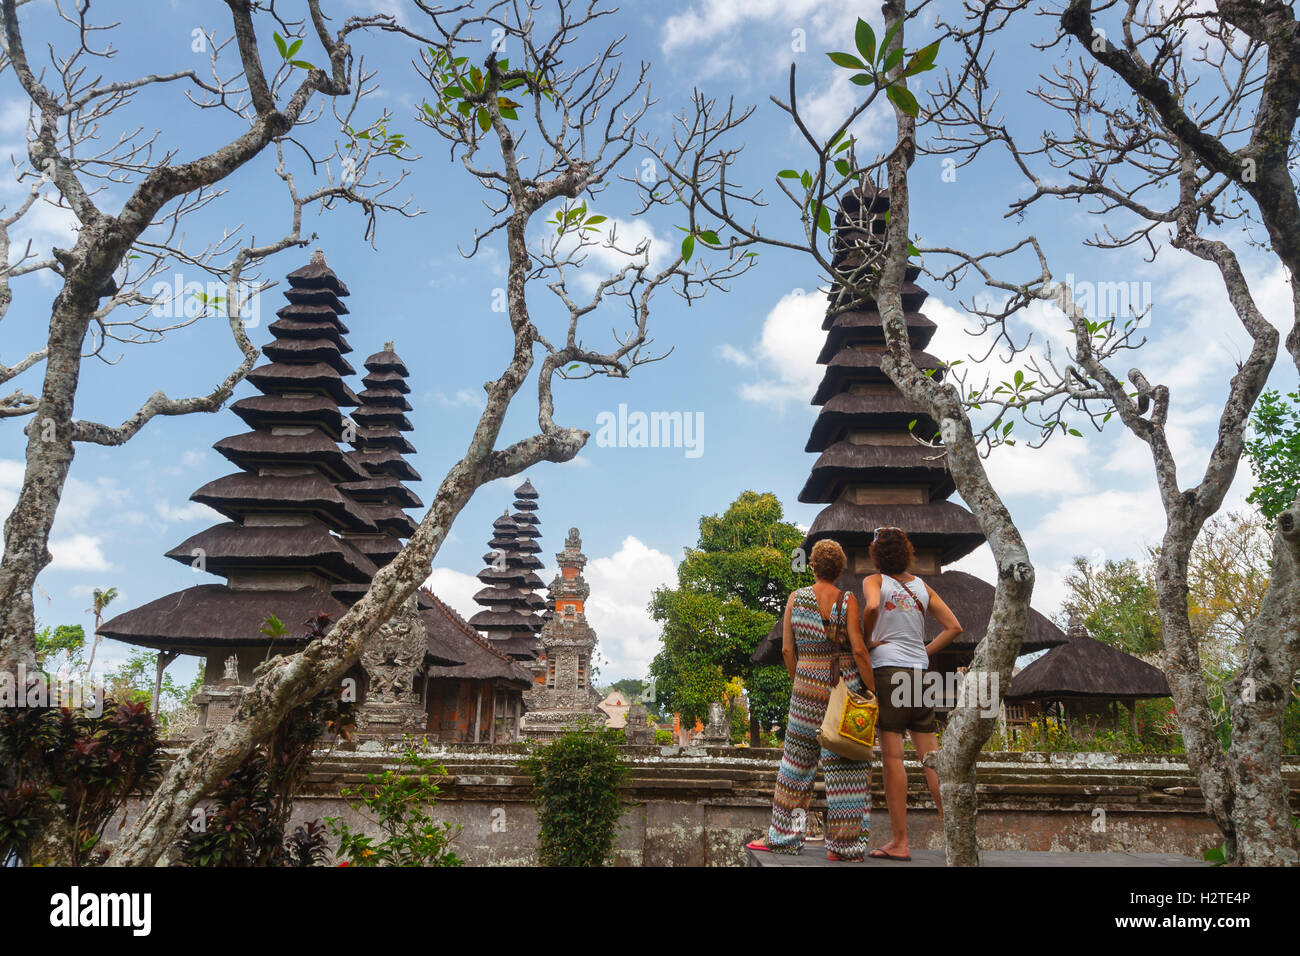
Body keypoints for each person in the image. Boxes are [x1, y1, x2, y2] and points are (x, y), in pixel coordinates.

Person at [747, 539, 876, 861]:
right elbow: (859, 650)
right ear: (841, 568)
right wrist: (871, 691)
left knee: (795, 767)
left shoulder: (796, 598)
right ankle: (844, 848)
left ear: (813, 566)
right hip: (844, 687)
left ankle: (783, 838)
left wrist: (801, 679)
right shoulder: (848, 601)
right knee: (848, 766)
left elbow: (788, 650)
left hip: (805, 690)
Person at [862, 526, 962, 862]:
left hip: (888, 672)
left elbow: (872, 607)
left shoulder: (875, 581)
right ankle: (958, 835)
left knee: (893, 759)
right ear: (907, 552)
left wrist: (867, 640)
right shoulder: (922, 586)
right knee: (931, 759)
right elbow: (954, 627)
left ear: (877, 555)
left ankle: (900, 842)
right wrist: (924, 651)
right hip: (921, 674)